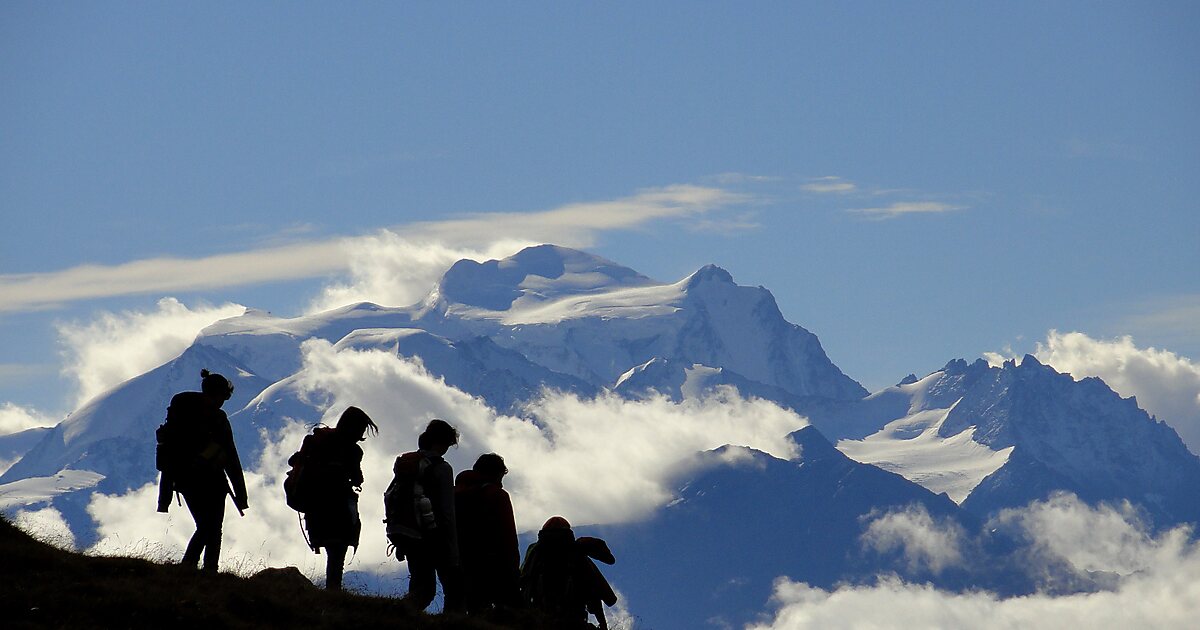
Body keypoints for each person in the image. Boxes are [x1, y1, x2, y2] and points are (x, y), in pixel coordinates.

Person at [156, 369, 249, 572]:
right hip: (209, 481)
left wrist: (165, 496)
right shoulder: (217, 419)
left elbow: (170, 455)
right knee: (211, 528)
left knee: (209, 527)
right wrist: (241, 493)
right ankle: (200, 569)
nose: (222, 401)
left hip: (188, 480)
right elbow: (231, 457)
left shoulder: (183, 412)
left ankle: (197, 569)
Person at [290, 406, 378, 590]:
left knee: (332, 548)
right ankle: (333, 591)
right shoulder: (353, 451)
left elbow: (296, 461)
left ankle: (332, 592)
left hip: (316, 505)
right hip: (339, 507)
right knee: (338, 552)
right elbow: (357, 478)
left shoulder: (318, 441)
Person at [398, 419, 464, 613]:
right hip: (434, 536)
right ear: (440, 442)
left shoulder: (409, 463)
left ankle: (402, 618)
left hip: (408, 532)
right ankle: (450, 625)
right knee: (454, 588)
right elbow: (446, 511)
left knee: (420, 585)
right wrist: (452, 548)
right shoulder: (442, 468)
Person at [520, 516, 618, 630]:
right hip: (572, 619)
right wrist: (603, 624)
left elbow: (523, 579)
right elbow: (593, 587)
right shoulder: (576, 553)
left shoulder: (534, 551)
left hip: (537, 616)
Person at [455, 453, 520, 614]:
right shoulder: (498, 495)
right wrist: (513, 567)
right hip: (495, 562)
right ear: (496, 473)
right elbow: (508, 535)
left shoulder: (457, 494)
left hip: (463, 560)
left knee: (472, 609)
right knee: (510, 612)